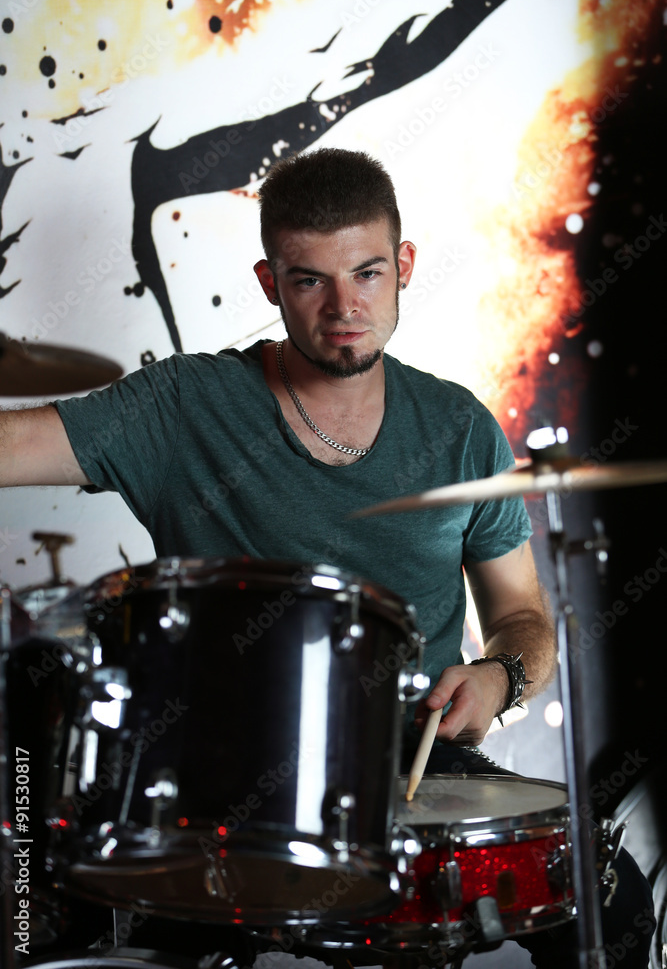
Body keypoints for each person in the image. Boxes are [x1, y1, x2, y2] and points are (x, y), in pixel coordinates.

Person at [0, 148, 653, 966]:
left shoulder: (457, 427)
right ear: (270, 283)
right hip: (214, 775)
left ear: (402, 265)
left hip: (413, 761)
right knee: (60, 916)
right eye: (309, 280)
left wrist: (499, 678)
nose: (344, 307)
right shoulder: (183, 403)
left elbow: (521, 616)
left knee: (612, 902)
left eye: (367, 273)